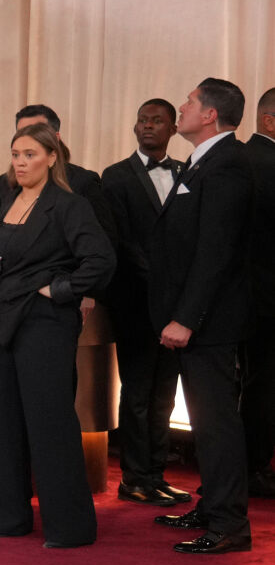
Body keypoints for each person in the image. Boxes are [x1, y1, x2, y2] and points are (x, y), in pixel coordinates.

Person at [0, 123, 116, 547]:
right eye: (16, 154)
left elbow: (101, 260)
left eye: (30, 154)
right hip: (0, 319)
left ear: (52, 157)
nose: (20, 161)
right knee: (3, 422)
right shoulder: (5, 198)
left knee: (49, 422)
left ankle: (69, 527)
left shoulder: (68, 205)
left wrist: (61, 290)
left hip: (45, 324)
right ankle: (8, 517)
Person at [151, 79, 255, 554]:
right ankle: (211, 506)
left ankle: (230, 524)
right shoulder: (205, 160)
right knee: (203, 419)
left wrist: (187, 318)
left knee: (215, 423)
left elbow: (216, 253)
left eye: (189, 101)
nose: (182, 106)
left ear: (210, 114)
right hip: (196, 318)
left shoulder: (228, 164)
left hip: (211, 323)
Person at [100, 99, 189, 505]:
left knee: (165, 393)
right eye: (142, 120)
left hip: (177, 304)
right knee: (137, 390)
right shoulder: (115, 176)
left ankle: (155, 473)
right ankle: (134, 478)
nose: (148, 126)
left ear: (172, 129)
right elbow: (120, 241)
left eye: (157, 121)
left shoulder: (187, 172)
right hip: (136, 299)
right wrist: (162, 282)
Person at [245, 87, 275, 498]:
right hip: (265, 299)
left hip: (241, 298)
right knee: (263, 387)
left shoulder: (236, 159)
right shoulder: (267, 164)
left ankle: (248, 468)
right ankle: (252, 468)